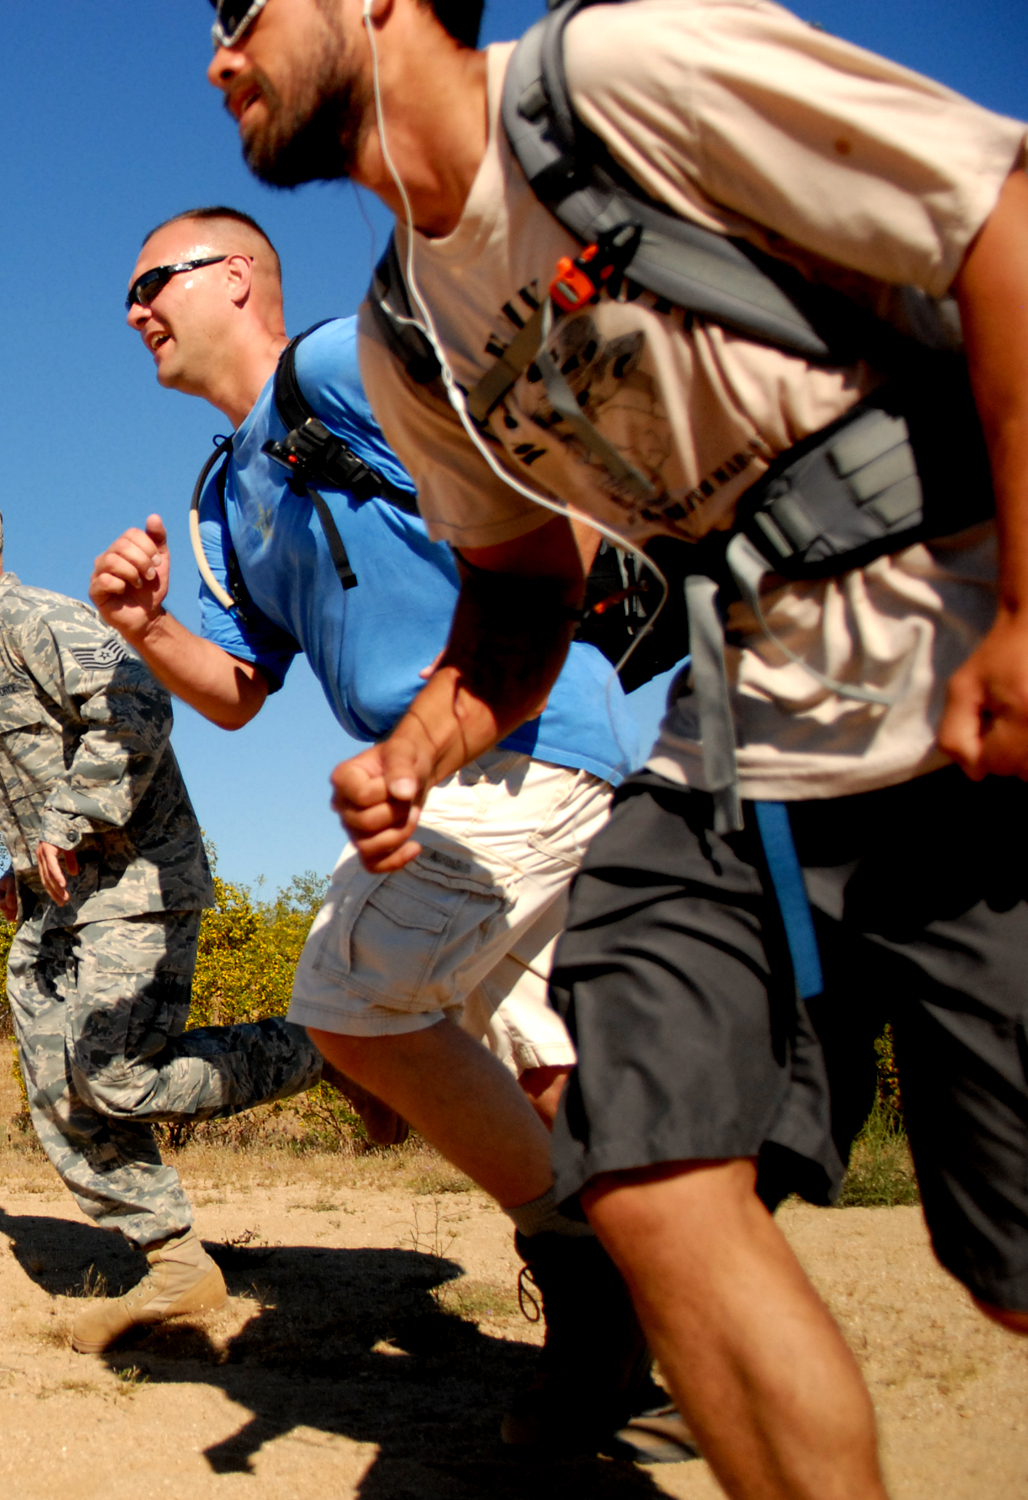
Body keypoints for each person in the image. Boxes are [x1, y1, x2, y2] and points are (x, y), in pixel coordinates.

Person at [201, 0, 1028, 1495]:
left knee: (1010, 1266)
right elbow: (525, 593)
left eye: (241, 10)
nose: (218, 57)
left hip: (959, 658)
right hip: (734, 737)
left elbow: (997, 222)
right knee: (639, 1170)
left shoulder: (620, 77)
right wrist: (428, 743)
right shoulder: (407, 329)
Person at [90, 205, 681, 1454]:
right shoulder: (222, 492)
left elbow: (532, 419)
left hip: (515, 737)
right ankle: (662, 1354)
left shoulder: (335, 367)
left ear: (238, 277)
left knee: (349, 999)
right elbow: (244, 694)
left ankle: (582, 1281)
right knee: (549, 1063)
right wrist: (147, 627)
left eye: (153, 280)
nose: (135, 311)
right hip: (465, 773)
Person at [0, 488, 326, 1353]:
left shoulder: (37, 618)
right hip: (64, 905)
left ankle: (329, 1050)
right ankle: (177, 1261)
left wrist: (70, 821)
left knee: (116, 1073)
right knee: (57, 1084)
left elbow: (139, 707)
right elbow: (39, 768)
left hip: (137, 885)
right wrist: (24, 868)